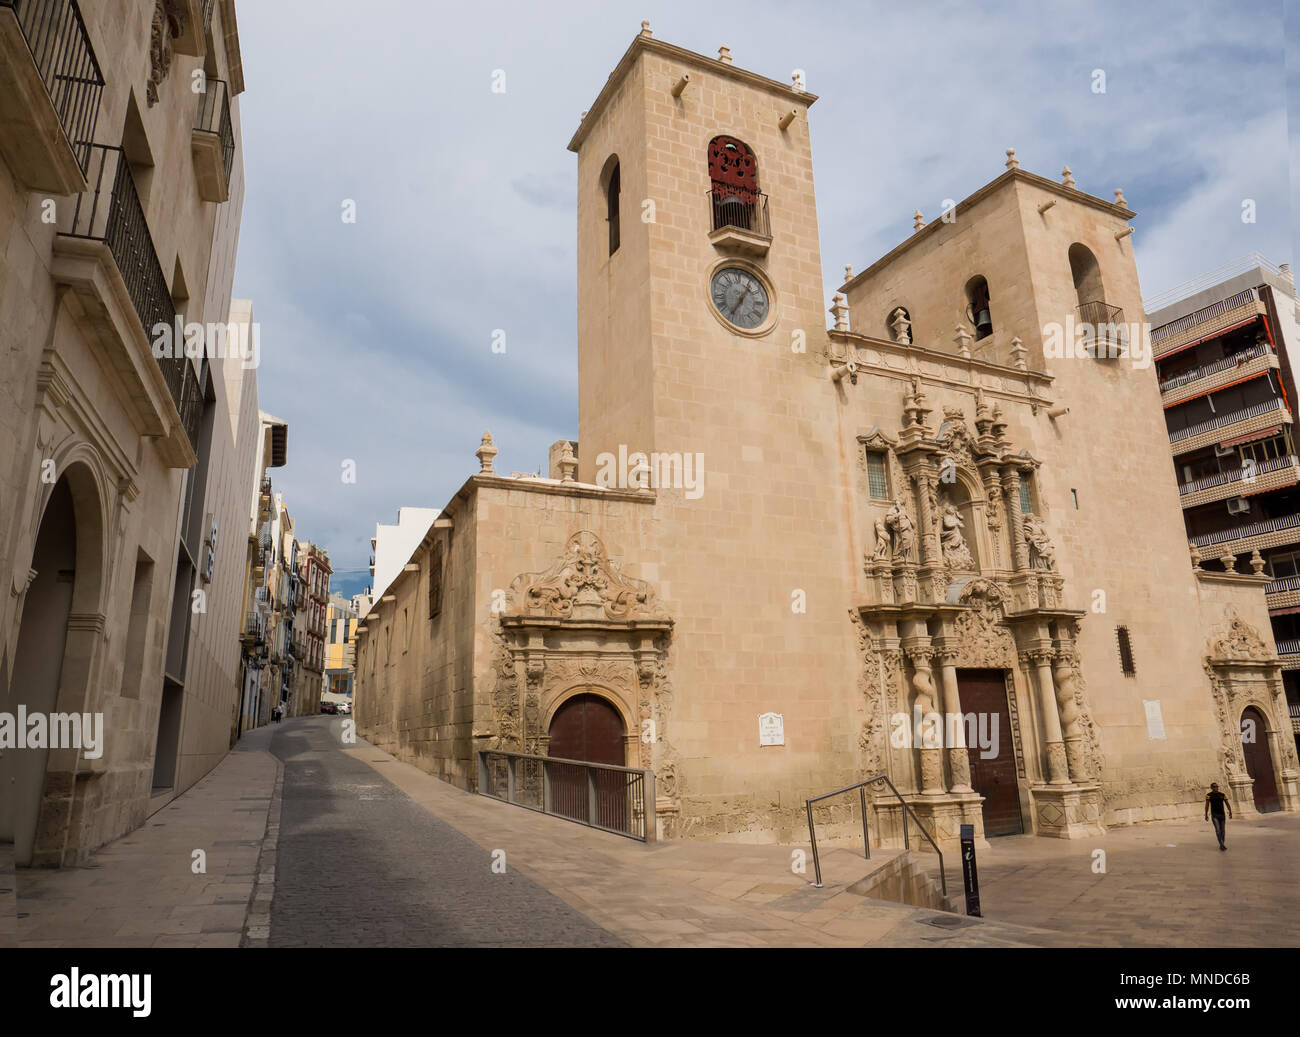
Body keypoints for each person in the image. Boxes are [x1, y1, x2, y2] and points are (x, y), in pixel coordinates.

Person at [1205, 782, 1232, 850]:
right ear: (1211, 788)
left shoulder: (1222, 795)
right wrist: (1206, 814)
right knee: (1217, 830)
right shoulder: (1208, 795)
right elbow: (1207, 805)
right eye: (1214, 787)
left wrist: (1230, 812)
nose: (1215, 788)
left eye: (1216, 786)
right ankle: (1222, 844)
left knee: (1223, 830)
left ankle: (1222, 843)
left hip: (1222, 815)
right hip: (1214, 815)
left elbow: (1227, 803)